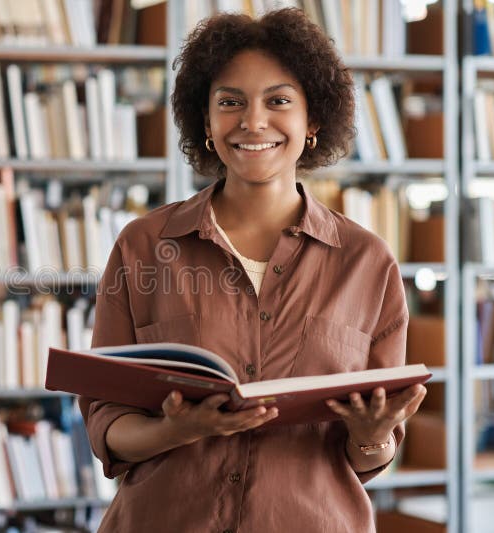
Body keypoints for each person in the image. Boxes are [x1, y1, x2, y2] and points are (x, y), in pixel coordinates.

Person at [78, 8, 428, 533]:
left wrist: (373, 433)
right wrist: (177, 430)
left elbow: (367, 459)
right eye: (230, 102)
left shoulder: (368, 262)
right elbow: (106, 422)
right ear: (206, 120)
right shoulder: (142, 247)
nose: (253, 121)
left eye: (279, 101)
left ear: (312, 121)